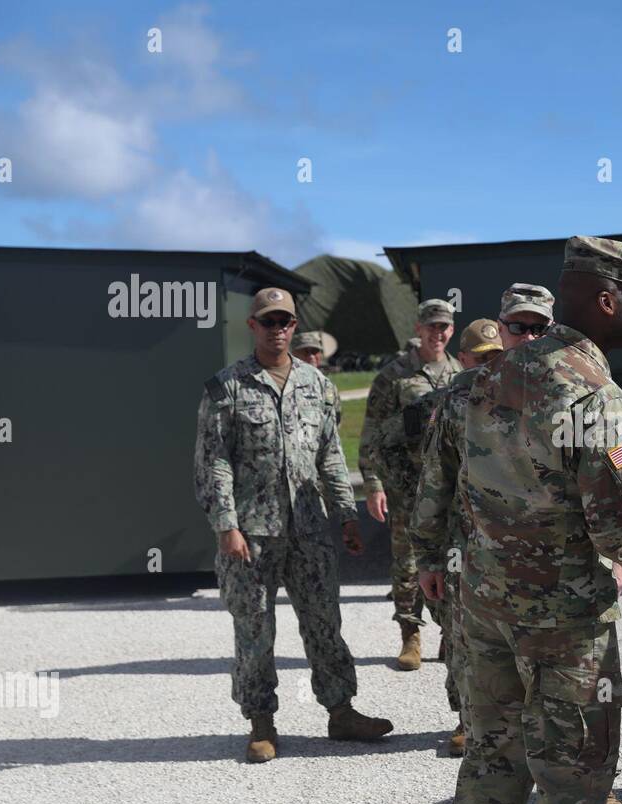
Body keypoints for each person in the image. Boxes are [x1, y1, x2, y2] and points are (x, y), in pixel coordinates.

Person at [445, 239, 622, 804]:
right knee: (572, 788)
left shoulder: (481, 380)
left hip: (487, 610)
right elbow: (620, 536)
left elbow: (455, 490)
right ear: (606, 302)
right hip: (565, 626)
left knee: (490, 766)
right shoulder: (596, 399)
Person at [193, 287, 393, 763]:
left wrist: (346, 515)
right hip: (251, 534)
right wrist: (226, 524)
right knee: (255, 629)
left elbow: (329, 455)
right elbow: (212, 462)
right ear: (253, 326)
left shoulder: (317, 385)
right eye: (268, 321)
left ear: (294, 324)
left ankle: (341, 711)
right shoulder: (227, 386)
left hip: (309, 530)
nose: (278, 328)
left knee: (325, 622)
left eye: (285, 321)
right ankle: (261, 722)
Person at [410, 318, 505, 757]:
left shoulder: (533, 396)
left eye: (497, 355)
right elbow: (433, 480)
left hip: (520, 547)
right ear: (462, 359)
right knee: (463, 636)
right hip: (462, 545)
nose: (491, 363)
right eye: (482, 357)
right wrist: (426, 554)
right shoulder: (450, 403)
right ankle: (468, 720)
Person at [358, 300, 463, 670]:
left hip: (449, 488)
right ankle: (410, 634)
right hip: (406, 485)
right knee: (407, 561)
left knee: (453, 559)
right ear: (418, 328)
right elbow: (372, 431)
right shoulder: (395, 375)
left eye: (445, 327)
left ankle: (451, 635)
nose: (438, 333)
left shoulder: (459, 371)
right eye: (432, 326)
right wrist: (373, 483)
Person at [292, 330, 341, 424]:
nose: (311, 356)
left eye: (315, 351)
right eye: (305, 352)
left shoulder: (327, 385)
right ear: (294, 354)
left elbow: (336, 417)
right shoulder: (286, 384)